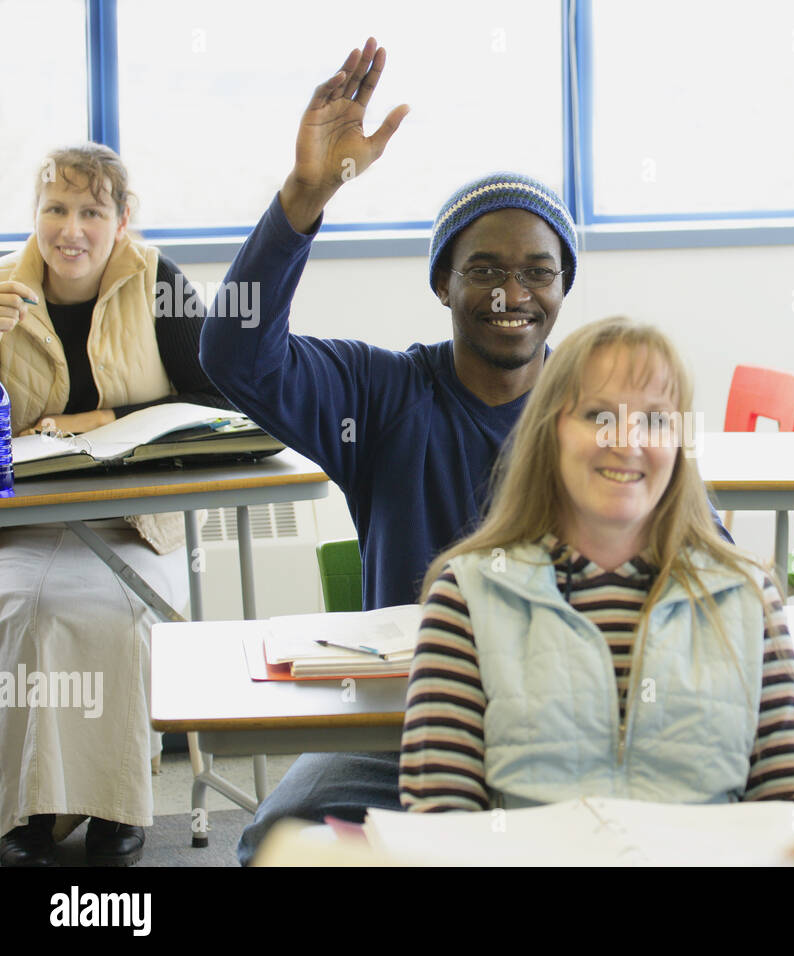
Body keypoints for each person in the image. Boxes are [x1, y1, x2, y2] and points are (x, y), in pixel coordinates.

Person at [199, 41, 733, 863]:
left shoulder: (610, 413)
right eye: (483, 269)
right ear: (442, 282)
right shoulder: (381, 396)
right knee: (281, 838)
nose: (510, 294)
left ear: (562, 288)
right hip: (402, 736)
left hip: (581, 739)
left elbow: (714, 567)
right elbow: (233, 354)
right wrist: (307, 194)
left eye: (537, 272)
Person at [400, 316, 794, 811]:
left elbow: (785, 806)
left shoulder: (746, 595)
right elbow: (442, 817)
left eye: (656, 420)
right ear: (549, 431)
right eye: (598, 415)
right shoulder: (468, 595)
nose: (628, 441)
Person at [0, 143, 225, 866]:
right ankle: (28, 810)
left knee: (119, 618)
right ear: (33, 216)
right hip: (25, 524)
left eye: (91, 211)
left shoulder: (159, 281)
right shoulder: (2, 288)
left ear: (123, 220)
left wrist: (100, 423)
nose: (71, 229)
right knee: (22, 615)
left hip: (133, 521)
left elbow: (214, 397)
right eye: (55, 209)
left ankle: (116, 809)